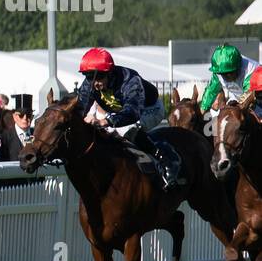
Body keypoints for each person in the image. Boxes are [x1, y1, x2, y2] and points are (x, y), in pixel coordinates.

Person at [75, 46, 177, 189]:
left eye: (98, 77)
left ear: (109, 73)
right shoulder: (91, 83)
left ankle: (164, 158)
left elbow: (132, 113)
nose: (94, 82)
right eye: (89, 76)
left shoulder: (130, 80)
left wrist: (105, 121)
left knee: (126, 128)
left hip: (149, 109)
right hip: (120, 112)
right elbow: (80, 108)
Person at [199, 43, 259, 116]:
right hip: (237, 98)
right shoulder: (218, 71)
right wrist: (201, 113)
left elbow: (247, 98)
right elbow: (211, 92)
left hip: (257, 101)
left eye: (228, 73)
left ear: (238, 67)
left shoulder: (252, 71)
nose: (225, 77)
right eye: (222, 74)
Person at [1, 93, 34, 162]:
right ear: (14, 116)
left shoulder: (37, 134)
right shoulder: (4, 137)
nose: (25, 118)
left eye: (28, 115)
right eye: (21, 115)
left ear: (32, 117)